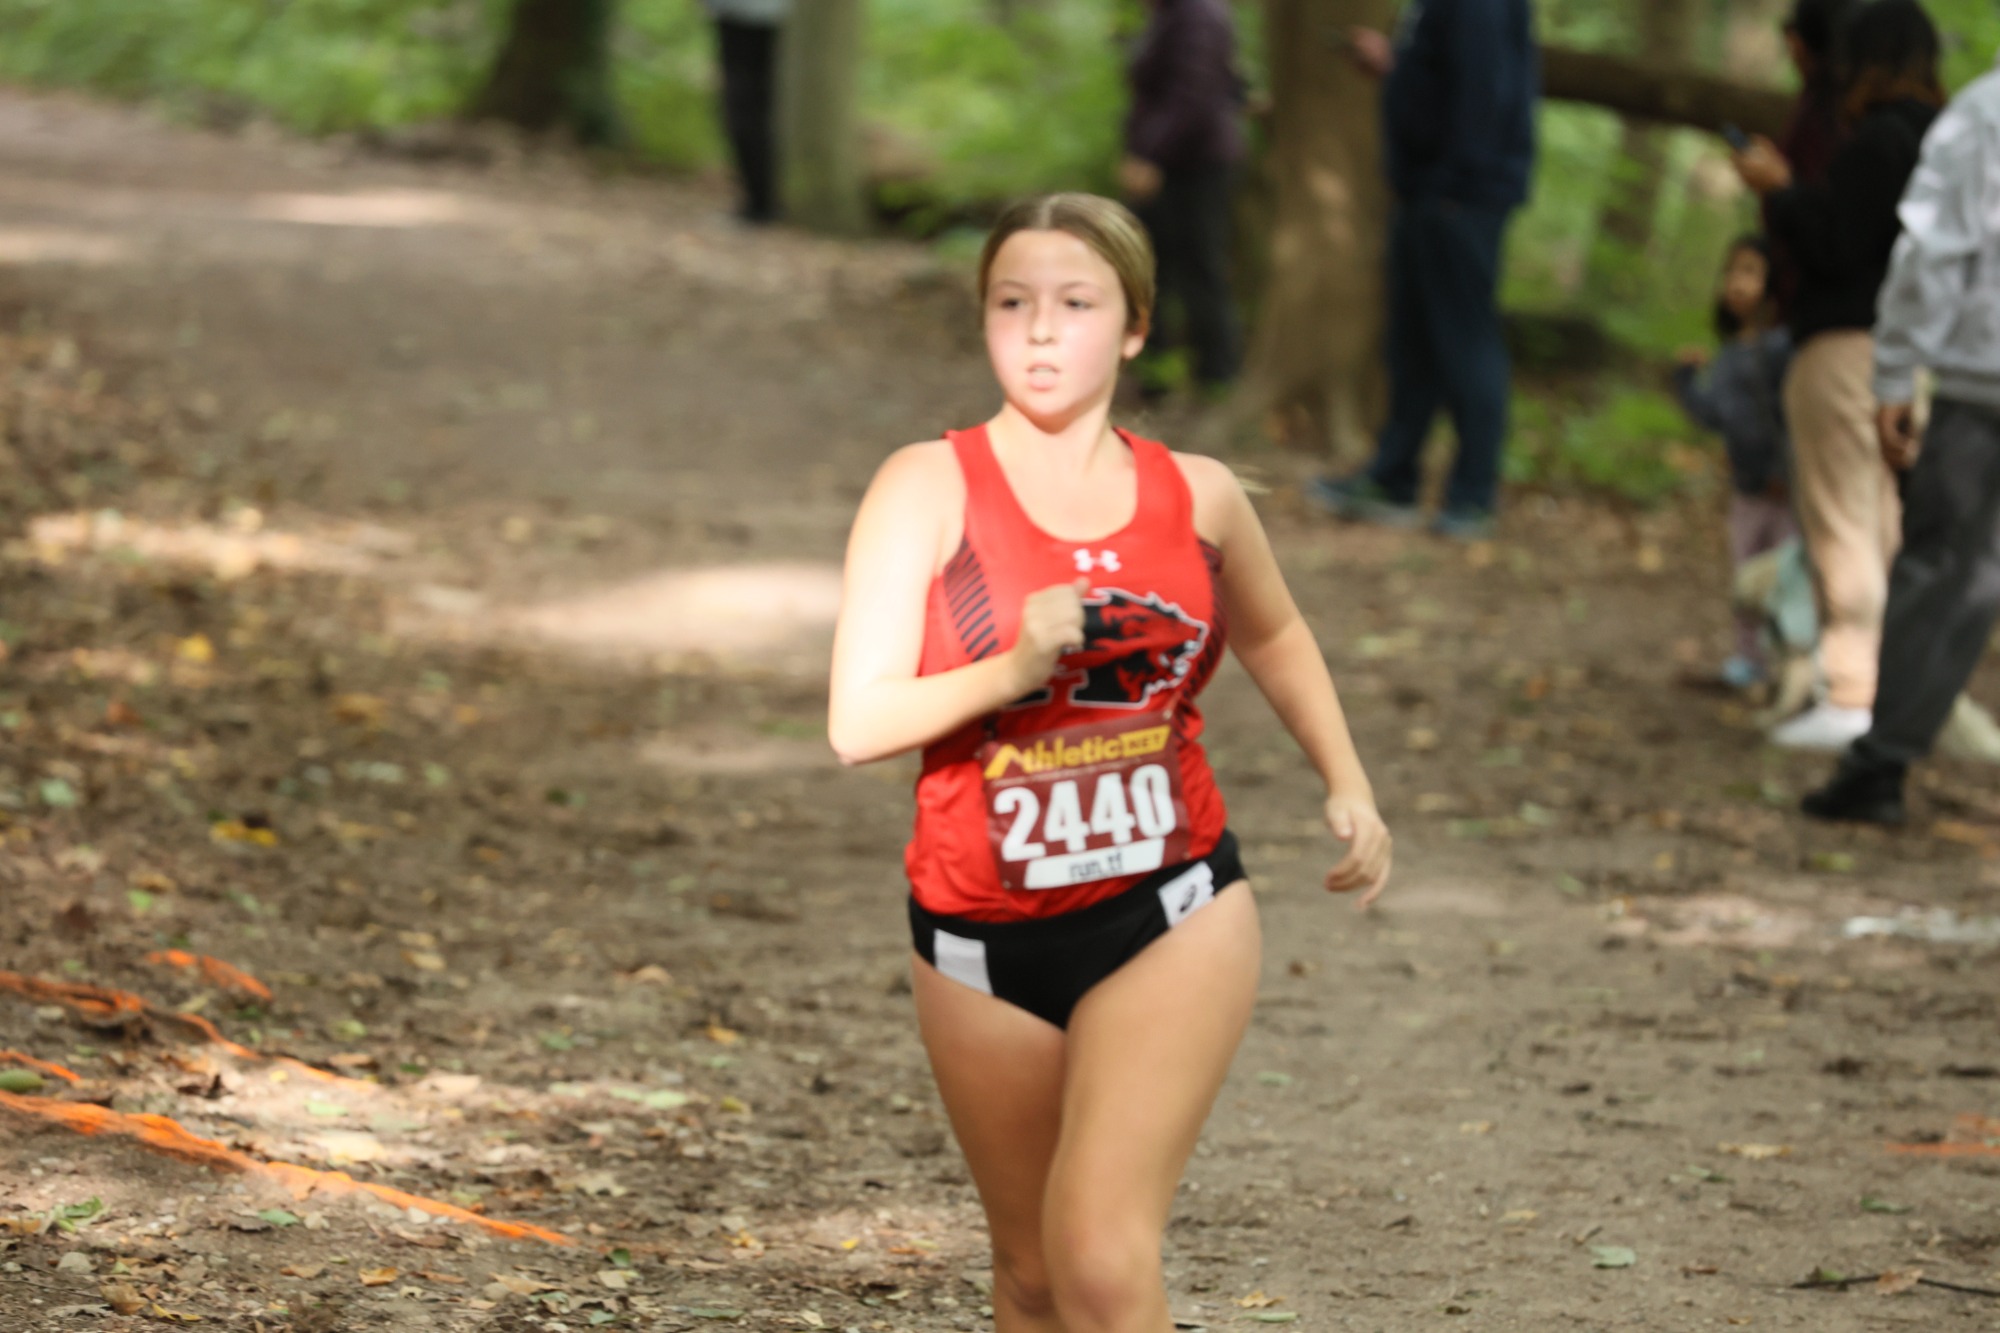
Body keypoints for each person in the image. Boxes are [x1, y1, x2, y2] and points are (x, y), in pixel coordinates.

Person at [827, 193, 1391, 1333]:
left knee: (1096, 1250)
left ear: (1132, 327)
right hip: (977, 935)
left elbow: (1274, 631)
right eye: (1011, 303)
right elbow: (857, 721)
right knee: (1031, 1274)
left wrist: (1346, 776)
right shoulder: (924, 486)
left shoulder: (1199, 493)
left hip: (1168, 907)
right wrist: (1011, 666)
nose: (1039, 332)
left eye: (1074, 305)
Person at [1733, 0, 1945, 750]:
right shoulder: (1945, 140)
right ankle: (1881, 692)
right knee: (1880, 521)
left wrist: (1780, 192)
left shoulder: (1879, 143)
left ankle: (1852, 695)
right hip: (1908, 353)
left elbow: (1834, 245)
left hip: (1848, 347)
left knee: (1844, 522)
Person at [1803, 45, 2000, 824]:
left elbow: (1931, 252)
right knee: (1957, 570)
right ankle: (1880, 763)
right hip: (1979, 383)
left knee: (1943, 568)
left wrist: (1894, 375)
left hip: (1980, 387)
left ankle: (1880, 765)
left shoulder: (1985, 112)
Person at [1307, 0, 1539, 541]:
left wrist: (1456, 185)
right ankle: (1394, 478)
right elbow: (1447, 73)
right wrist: (1398, 66)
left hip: (1458, 196)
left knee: (1466, 339)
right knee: (1413, 339)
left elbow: (1487, 90)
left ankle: (1474, 495)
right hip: (1426, 192)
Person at [1673, 236, 1796, 691]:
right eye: (1733, 272)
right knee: (1746, 576)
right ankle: (1749, 661)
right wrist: (1685, 381)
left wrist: (1785, 471)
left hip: (1783, 491)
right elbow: (1712, 416)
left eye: (1751, 272)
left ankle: (1790, 662)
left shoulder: (1782, 349)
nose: (1738, 283)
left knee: (1785, 578)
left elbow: (1792, 416)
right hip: (1746, 490)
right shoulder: (1727, 355)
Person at [1120, 0, 1247, 396]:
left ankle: (1217, 377)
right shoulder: (1173, 13)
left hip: (1192, 166)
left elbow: (1194, 94)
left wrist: (1151, 155)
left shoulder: (1198, 13)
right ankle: (1156, 374)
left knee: (1199, 268)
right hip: (1176, 163)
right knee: (1152, 268)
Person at [1767, 0, 1860, 319]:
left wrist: (1779, 184)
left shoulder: (1833, 112)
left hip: (1816, 303)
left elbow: (1828, 214)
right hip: (1797, 298)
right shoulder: (1819, 101)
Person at [703, 0, 791, 224]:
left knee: (745, 103)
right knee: (757, 101)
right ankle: (762, 200)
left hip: (744, 14)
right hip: (774, 14)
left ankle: (761, 203)